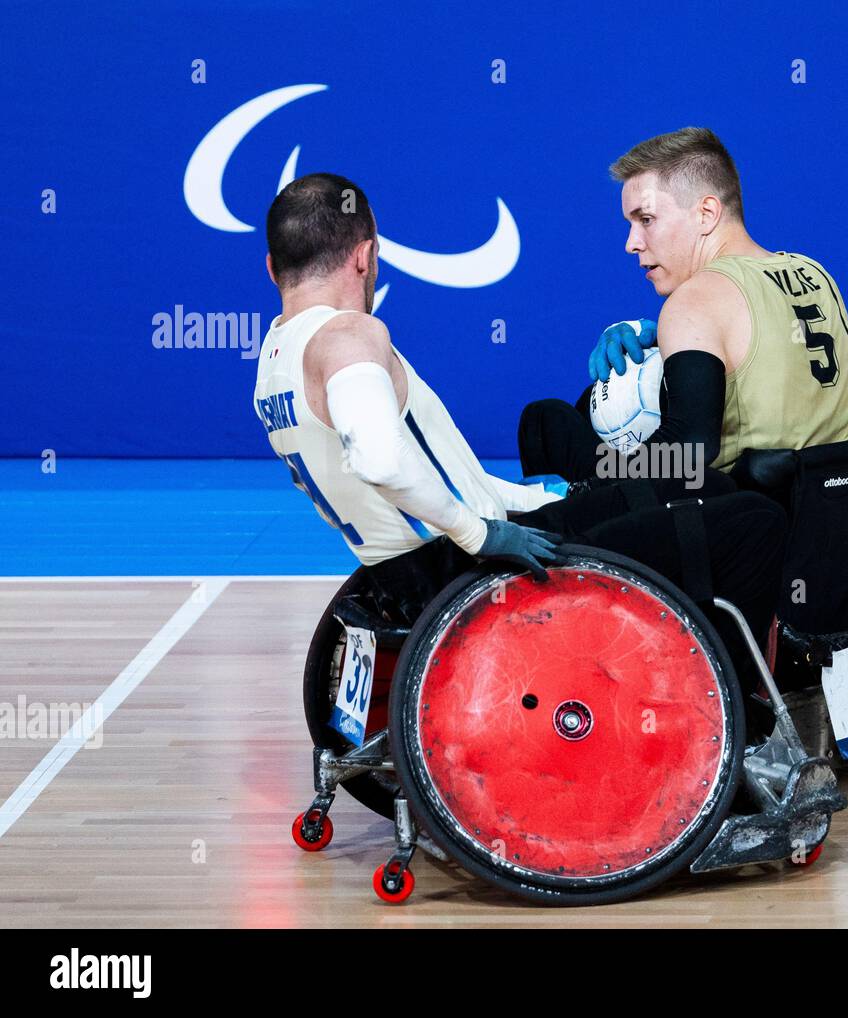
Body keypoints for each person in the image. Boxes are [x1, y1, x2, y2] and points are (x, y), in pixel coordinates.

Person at [252, 172, 786, 669]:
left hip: (408, 575)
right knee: (753, 521)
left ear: (274, 268)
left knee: (705, 484)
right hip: (474, 571)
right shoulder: (348, 336)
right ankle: (737, 708)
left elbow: (434, 477)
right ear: (366, 256)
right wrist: (479, 533)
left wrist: (546, 501)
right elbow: (380, 460)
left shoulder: (275, 359)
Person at [519, 127, 848, 482]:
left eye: (646, 219)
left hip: (730, 511)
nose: (631, 243)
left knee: (544, 422)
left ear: (706, 213)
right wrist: (663, 345)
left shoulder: (695, 297)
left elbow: (690, 451)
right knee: (587, 405)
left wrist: (591, 485)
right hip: (832, 503)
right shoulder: (814, 272)